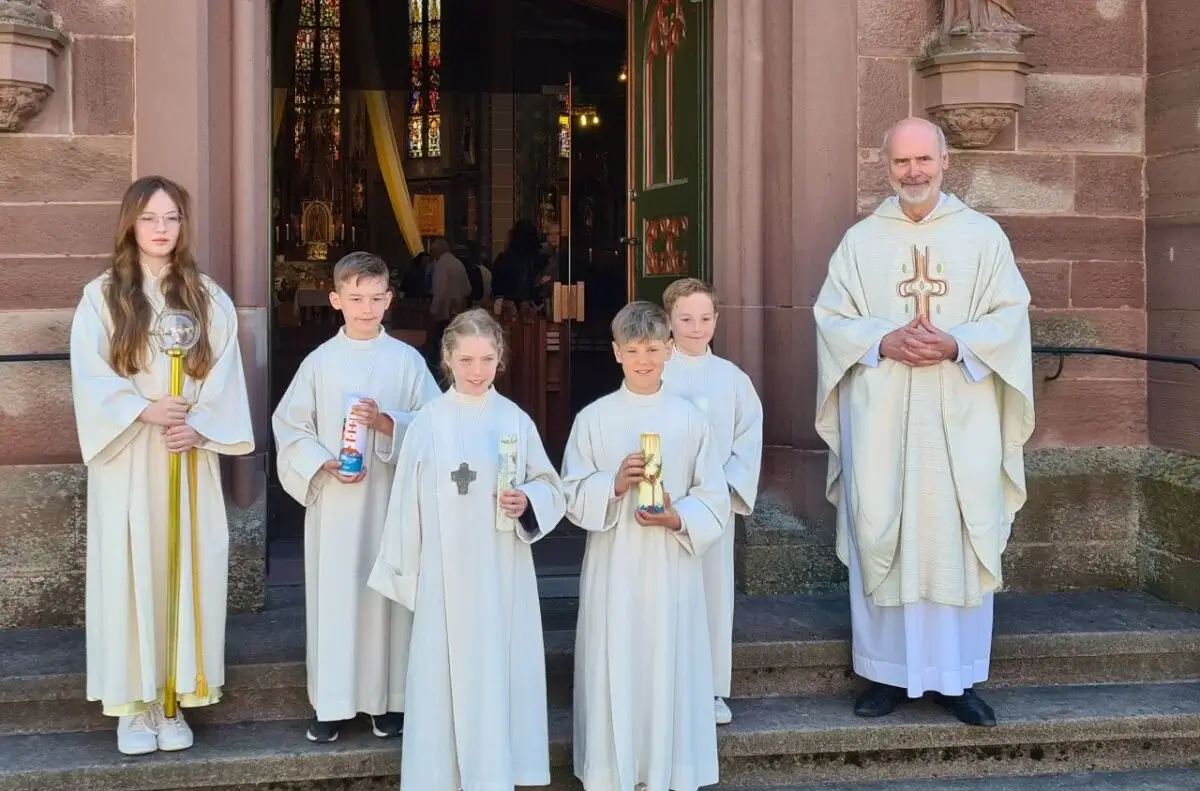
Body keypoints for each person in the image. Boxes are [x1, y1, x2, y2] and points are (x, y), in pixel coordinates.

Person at [813, 116, 1035, 727]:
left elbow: (1011, 315)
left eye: (923, 160)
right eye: (901, 162)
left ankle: (957, 679)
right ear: (885, 166)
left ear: (945, 162)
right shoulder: (861, 242)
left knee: (955, 536)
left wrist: (958, 343)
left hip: (961, 418)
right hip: (881, 420)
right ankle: (886, 675)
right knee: (884, 526)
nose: (913, 172)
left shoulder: (983, 237)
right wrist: (882, 340)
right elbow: (831, 318)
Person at [69, 175, 255, 755]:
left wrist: (200, 425)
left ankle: (174, 699)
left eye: (172, 217)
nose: (161, 228)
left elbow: (226, 374)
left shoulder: (206, 297)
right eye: (149, 217)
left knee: (184, 566)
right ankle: (135, 705)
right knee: (131, 570)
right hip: (128, 454)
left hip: (185, 452)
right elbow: (89, 374)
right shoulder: (102, 296)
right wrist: (143, 409)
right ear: (130, 223)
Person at [368, 308, 565, 791]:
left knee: (498, 667)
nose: (477, 371)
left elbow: (549, 485)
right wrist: (407, 569)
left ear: (501, 359)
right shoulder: (428, 423)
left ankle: (495, 772)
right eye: (467, 360)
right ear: (447, 360)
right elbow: (405, 501)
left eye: (487, 359)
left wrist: (528, 501)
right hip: (442, 573)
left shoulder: (513, 419)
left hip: (500, 571)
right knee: (440, 673)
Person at [272, 251, 441, 744]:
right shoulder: (319, 363)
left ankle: (388, 701)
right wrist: (322, 462)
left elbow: (434, 425)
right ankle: (332, 703)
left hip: (389, 499)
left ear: (389, 299)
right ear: (335, 300)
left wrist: (387, 423)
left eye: (375, 298)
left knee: (387, 597)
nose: (366, 308)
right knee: (337, 597)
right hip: (337, 505)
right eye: (355, 298)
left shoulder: (407, 361)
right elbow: (290, 427)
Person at [562, 300, 730, 791]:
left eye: (653, 349)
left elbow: (713, 495)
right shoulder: (594, 419)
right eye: (633, 350)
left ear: (669, 350)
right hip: (614, 565)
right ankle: (611, 771)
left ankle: (669, 771)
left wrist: (679, 517)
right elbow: (570, 492)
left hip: (671, 565)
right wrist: (612, 485)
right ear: (616, 352)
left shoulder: (690, 420)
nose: (643, 360)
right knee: (614, 660)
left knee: (667, 663)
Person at [661, 278, 764, 726]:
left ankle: (711, 690)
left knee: (712, 598)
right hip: (664, 506)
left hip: (712, 507)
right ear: (669, 320)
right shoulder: (654, 370)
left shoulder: (732, 379)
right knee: (665, 597)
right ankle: (665, 688)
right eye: (686, 318)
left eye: (705, 318)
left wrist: (722, 492)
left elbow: (748, 439)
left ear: (717, 320)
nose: (696, 327)